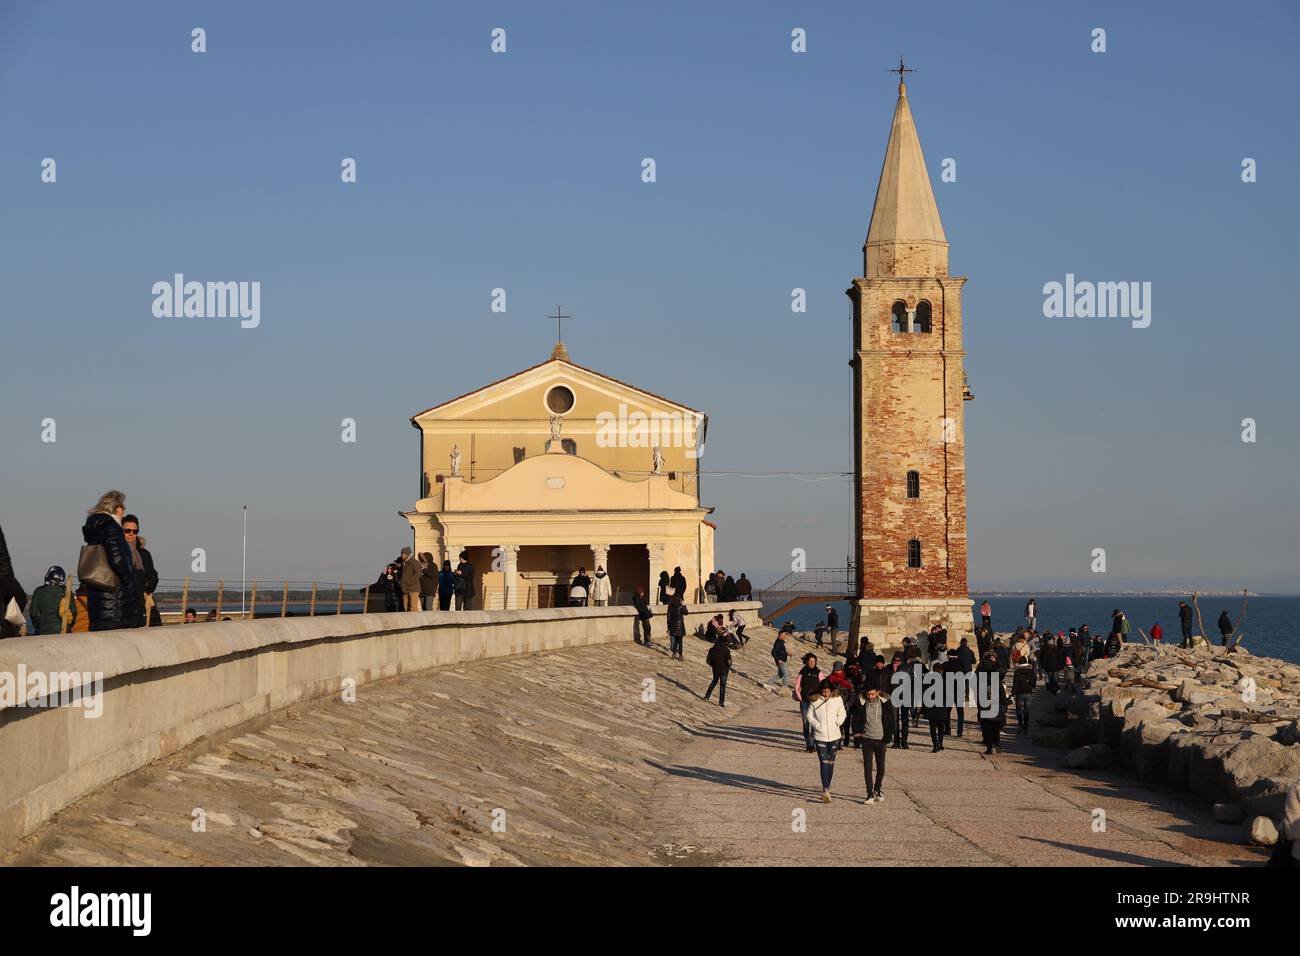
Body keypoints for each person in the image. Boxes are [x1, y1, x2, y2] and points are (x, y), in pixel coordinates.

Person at [80, 490, 141, 632]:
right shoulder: (111, 527)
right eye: (123, 507)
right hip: (114, 602)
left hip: (99, 598)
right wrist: (130, 581)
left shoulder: (95, 528)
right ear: (116, 507)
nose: (124, 512)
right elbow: (117, 559)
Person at [850, 685, 895, 804]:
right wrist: (857, 732)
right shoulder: (861, 703)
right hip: (867, 739)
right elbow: (855, 718)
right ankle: (869, 794)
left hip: (881, 740)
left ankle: (877, 789)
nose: (870, 697)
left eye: (873, 694)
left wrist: (888, 737)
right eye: (868, 694)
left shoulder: (885, 703)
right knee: (867, 768)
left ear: (877, 693)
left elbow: (891, 720)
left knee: (881, 767)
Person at [806, 680, 848, 803]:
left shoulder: (837, 699)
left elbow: (843, 713)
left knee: (831, 762)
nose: (825, 694)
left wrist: (837, 722)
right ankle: (826, 790)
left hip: (835, 735)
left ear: (831, 690)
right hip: (820, 736)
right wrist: (817, 725)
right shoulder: (815, 700)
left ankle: (827, 786)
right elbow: (809, 715)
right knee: (824, 762)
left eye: (828, 691)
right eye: (823, 691)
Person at [122, 516, 161, 627]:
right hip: (123, 604)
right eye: (127, 530)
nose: (131, 534)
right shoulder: (116, 552)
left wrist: (148, 585)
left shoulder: (144, 553)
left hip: (141, 602)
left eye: (135, 531)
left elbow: (152, 574)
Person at [794, 653, 825, 753]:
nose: (812, 663)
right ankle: (808, 743)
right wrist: (800, 697)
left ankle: (812, 744)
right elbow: (797, 686)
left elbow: (824, 685)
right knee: (806, 723)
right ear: (806, 662)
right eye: (810, 661)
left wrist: (822, 698)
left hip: (816, 701)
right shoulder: (802, 672)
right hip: (805, 701)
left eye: (814, 661)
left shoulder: (818, 672)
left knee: (814, 723)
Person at [977, 652, 1007, 754]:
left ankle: (989, 748)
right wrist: (1004, 703)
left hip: (985, 705)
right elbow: (1002, 692)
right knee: (995, 727)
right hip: (996, 704)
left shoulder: (981, 677)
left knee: (987, 728)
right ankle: (997, 744)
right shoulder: (996, 678)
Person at [942, 647, 969, 737]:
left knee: (947, 711)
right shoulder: (961, 665)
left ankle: (947, 729)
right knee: (960, 713)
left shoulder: (945, 665)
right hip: (959, 690)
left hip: (948, 690)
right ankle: (959, 731)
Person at [703, 633, 731, 707]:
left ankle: (706, 696)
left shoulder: (712, 650)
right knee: (722, 686)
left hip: (715, 669)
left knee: (714, 682)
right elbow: (729, 661)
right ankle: (721, 702)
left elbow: (708, 661)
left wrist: (714, 665)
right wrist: (728, 666)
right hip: (724, 670)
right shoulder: (726, 650)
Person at [1011, 657, 1036, 733]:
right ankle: (1026, 728)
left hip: (1019, 693)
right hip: (1028, 692)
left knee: (1019, 710)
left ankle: (1020, 726)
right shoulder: (1031, 671)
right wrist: (1032, 686)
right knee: (1026, 710)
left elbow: (1015, 684)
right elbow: (1034, 681)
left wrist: (1012, 693)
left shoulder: (1017, 672)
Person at [665, 592, 687, 660]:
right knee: (680, 641)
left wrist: (668, 626)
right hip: (680, 625)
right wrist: (684, 605)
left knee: (676, 641)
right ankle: (680, 655)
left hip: (673, 625)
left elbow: (668, 617)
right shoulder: (681, 607)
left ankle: (674, 654)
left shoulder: (670, 607)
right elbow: (686, 613)